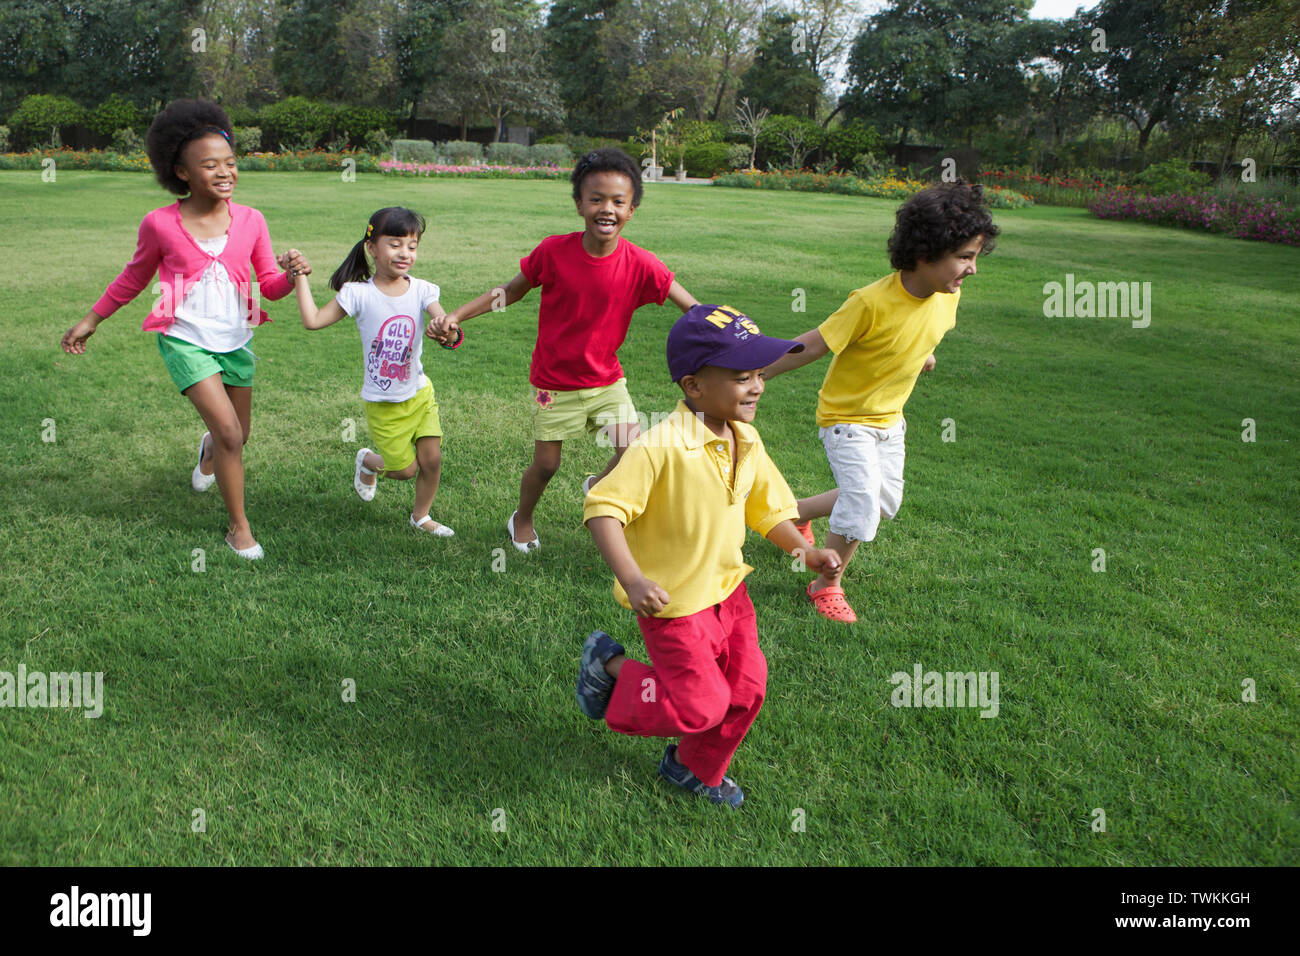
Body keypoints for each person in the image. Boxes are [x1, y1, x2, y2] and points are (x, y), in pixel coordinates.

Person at [575, 305, 842, 808]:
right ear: (694, 386)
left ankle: (691, 768)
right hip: (673, 605)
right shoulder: (660, 445)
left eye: (760, 374)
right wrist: (632, 581)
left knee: (747, 691)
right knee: (701, 706)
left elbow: (769, 508)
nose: (759, 386)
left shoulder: (747, 438)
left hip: (729, 594)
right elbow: (602, 509)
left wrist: (804, 550)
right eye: (743, 377)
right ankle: (609, 673)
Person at [60, 99, 307, 560]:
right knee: (232, 434)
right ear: (181, 172)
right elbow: (133, 278)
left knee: (238, 435)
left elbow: (269, 287)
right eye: (209, 165)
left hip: (237, 339)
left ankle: (209, 454)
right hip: (185, 338)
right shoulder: (160, 224)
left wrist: (291, 277)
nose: (224, 173)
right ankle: (239, 528)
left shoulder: (252, 220)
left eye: (230, 163)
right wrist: (91, 319)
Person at [431, 147, 698, 554]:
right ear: (579, 205)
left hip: (607, 378)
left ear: (632, 210)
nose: (606, 208)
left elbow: (692, 308)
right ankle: (521, 517)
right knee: (547, 465)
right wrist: (458, 315)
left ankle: (597, 486)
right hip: (554, 383)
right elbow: (511, 291)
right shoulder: (554, 252)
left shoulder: (643, 264)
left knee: (634, 450)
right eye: (596, 199)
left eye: (618, 201)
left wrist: (731, 332)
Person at [763, 182, 1000, 622]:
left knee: (884, 500)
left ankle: (794, 514)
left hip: (890, 420)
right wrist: (756, 372)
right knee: (863, 504)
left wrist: (923, 355)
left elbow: (921, 333)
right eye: (965, 257)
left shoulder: (948, 296)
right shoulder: (869, 302)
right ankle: (825, 584)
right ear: (926, 254)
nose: (972, 269)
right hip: (846, 418)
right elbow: (815, 344)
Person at [294, 207, 456, 537]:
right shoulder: (357, 294)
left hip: (420, 392)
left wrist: (447, 329)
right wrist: (300, 277)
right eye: (395, 244)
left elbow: (443, 322)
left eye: (412, 245)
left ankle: (421, 517)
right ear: (372, 248)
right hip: (384, 403)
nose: (405, 253)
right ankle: (368, 460)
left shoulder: (424, 290)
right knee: (405, 470)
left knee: (433, 459)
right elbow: (312, 321)